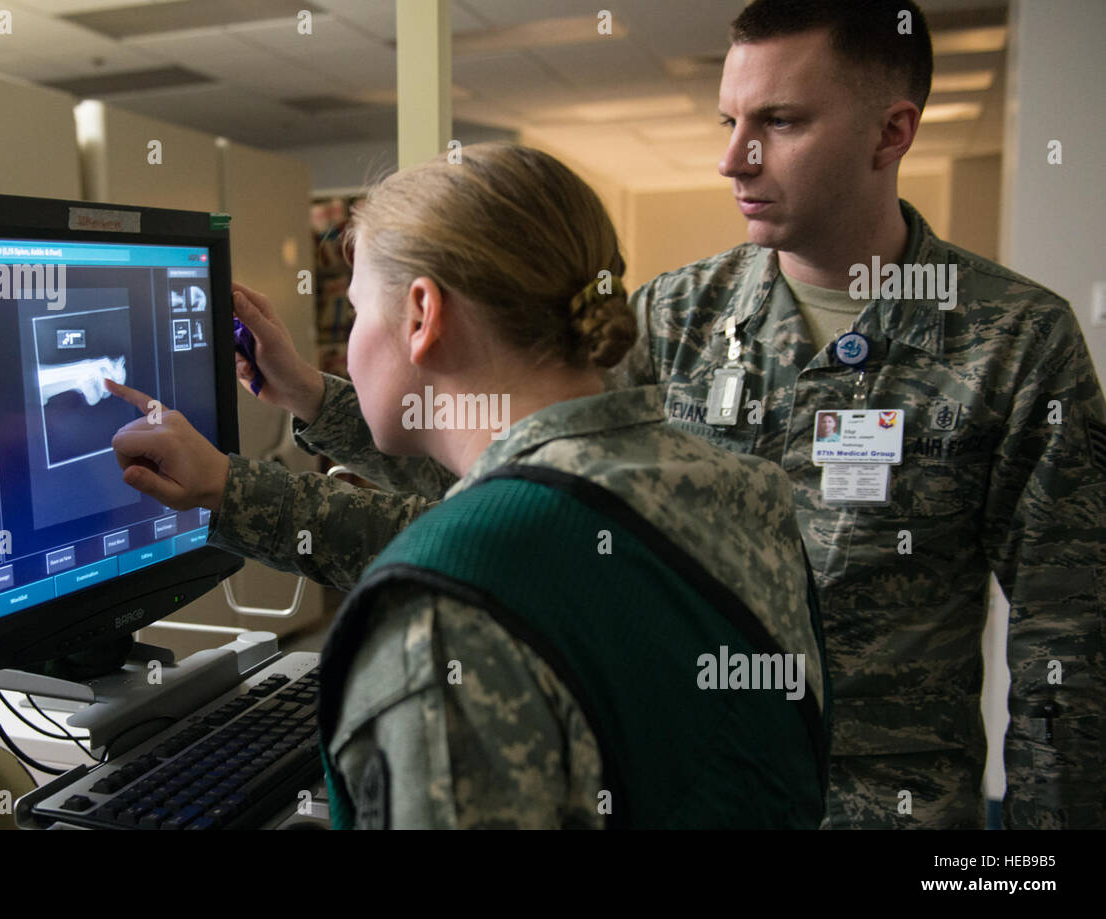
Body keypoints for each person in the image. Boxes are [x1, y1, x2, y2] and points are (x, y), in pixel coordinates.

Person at [202, 0, 1106, 829]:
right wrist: (310, 399)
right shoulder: (681, 313)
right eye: (729, 122)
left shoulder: (1013, 342)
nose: (734, 158)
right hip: (687, 781)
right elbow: (514, 480)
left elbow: (1069, 650)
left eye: (780, 122)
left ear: (891, 132)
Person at [104, 142, 829, 828]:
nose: (350, 342)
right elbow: (523, 496)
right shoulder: (744, 491)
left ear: (423, 315)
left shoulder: (441, 611)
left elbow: (494, 539)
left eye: (358, 311)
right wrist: (308, 401)